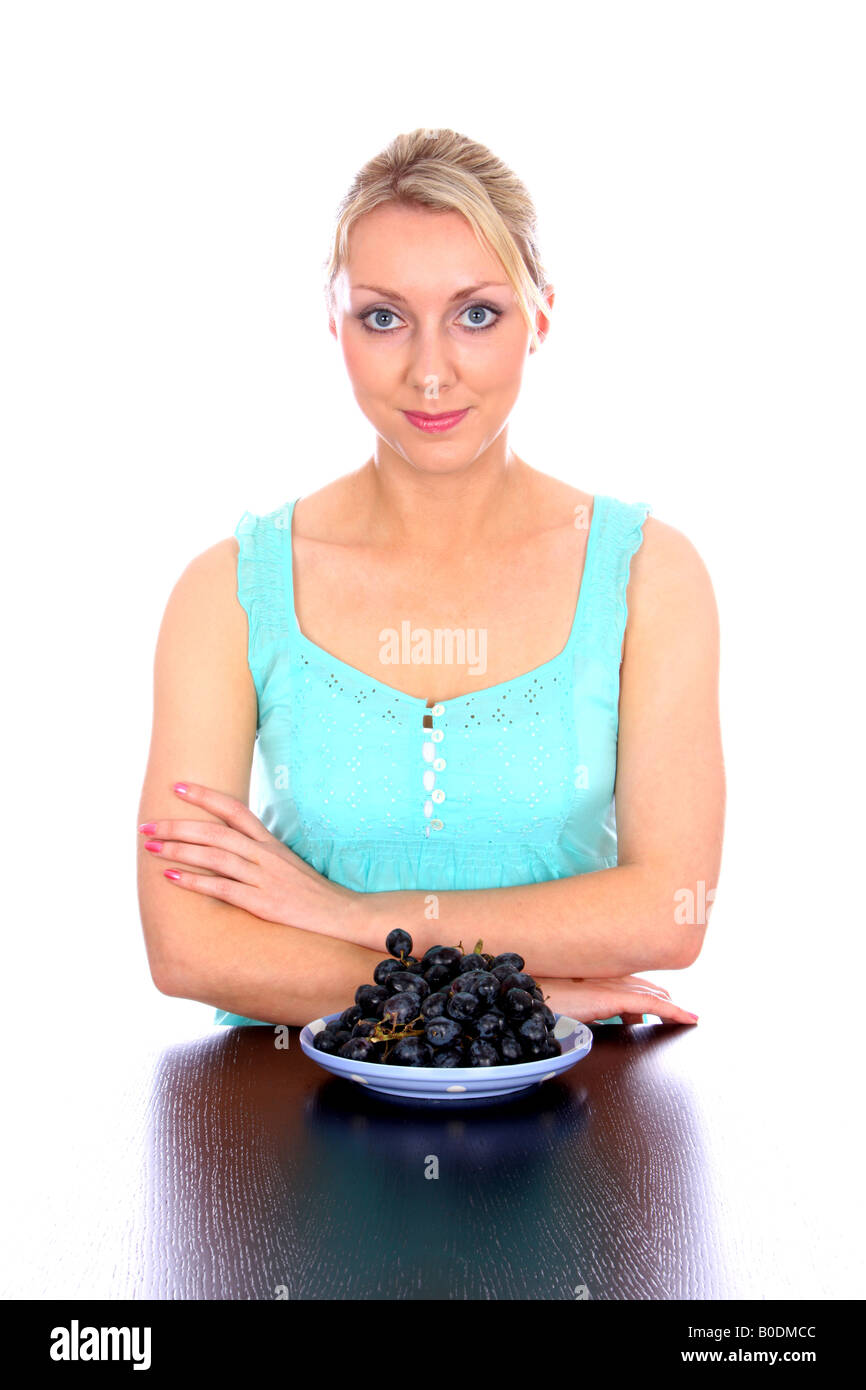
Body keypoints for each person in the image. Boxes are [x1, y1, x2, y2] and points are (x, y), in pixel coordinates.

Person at [136, 128, 724, 1032]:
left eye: (477, 313)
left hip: (573, 1105)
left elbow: (667, 914)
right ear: (333, 321)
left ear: (543, 316)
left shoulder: (652, 576)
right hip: (292, 1104)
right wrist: (507, 993)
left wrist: (350, 919)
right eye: (384, 316)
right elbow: (188, 948)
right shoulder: (228, 590)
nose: (431, 370)